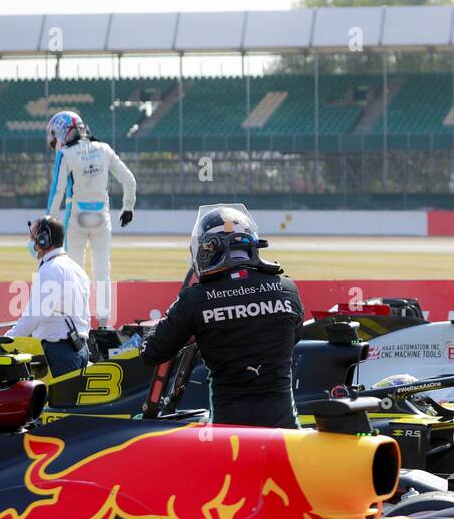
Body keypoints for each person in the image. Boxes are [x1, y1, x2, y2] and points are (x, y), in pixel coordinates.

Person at [141, 204, 304, 427]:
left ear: (207, 248)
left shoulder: (194, 299)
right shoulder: (287, 288)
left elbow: (151, 353)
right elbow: (294, 336)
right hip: (285, 434)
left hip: (229, 435)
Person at [45, 110, 137, 327]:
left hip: (75, 218)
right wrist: (128, 207)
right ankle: (104, 325)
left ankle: (78, 322)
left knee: (74, 272)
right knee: (102, 271)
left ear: (62, 132)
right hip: (102, 218)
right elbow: (129, 180)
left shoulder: (66, 154)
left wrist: (48, 223)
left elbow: (57, 192)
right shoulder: (104, 149)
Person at [6, 216, 91, 378]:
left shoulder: (50, 270)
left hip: (60, 353)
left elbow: (34, 317)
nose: (31, 241)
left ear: (44, 239)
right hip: (80, 349)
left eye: (33, 237)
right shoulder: (77, 268)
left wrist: (7, 340)